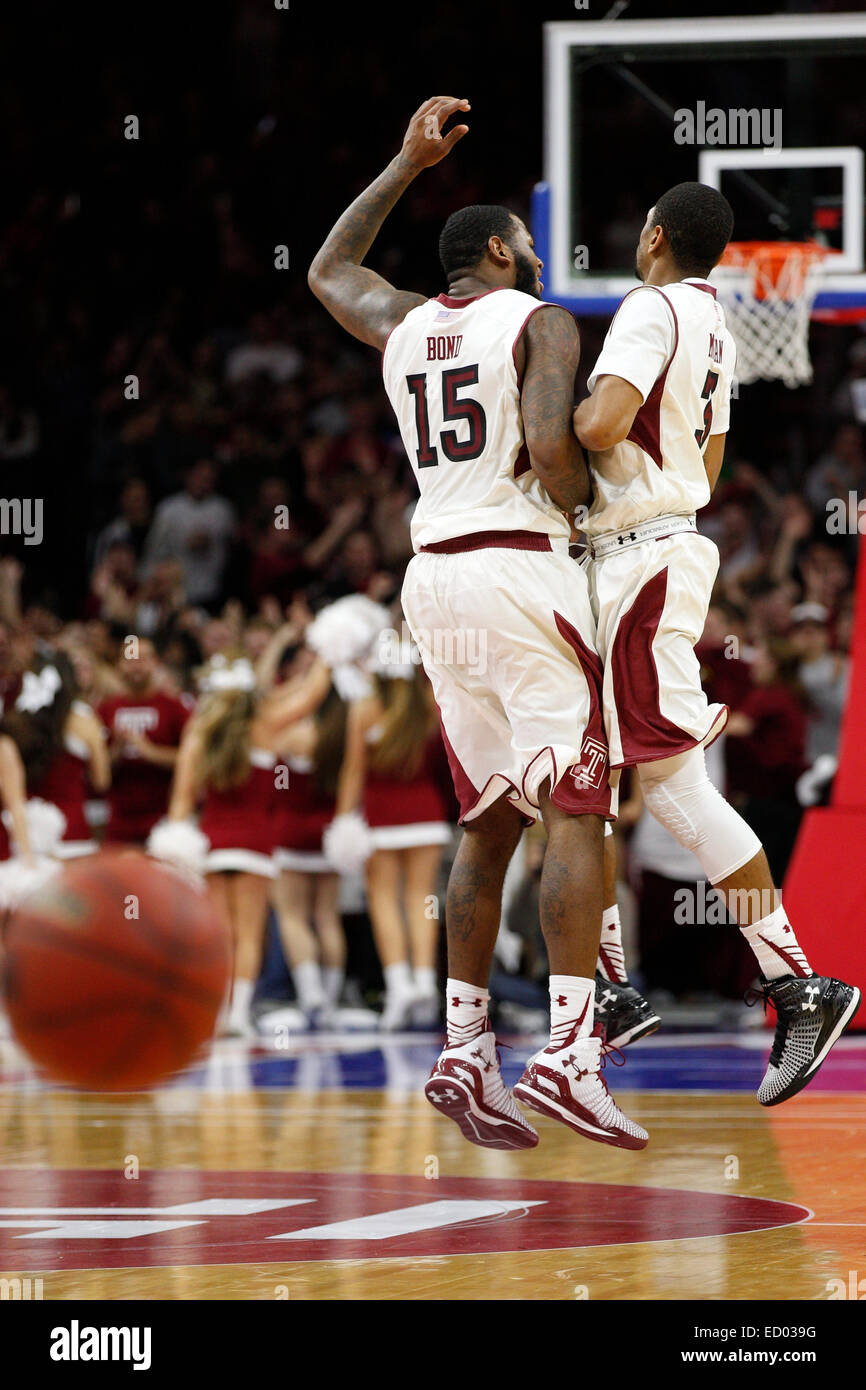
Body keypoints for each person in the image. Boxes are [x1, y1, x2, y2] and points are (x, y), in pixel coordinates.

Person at [309, 95, 645, 1150]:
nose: (540, 259)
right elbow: (552, 449)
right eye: (529, 246)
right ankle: (569, 1053)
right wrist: (595, 509)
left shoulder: (404, 324)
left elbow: (327, 270)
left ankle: (462, 1048)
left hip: (430, 579)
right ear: (500, 250)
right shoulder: (540, 320)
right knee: (578, 807)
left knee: (491, 816)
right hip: (515, 566)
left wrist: (403, 164)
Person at [572, 181, 859, 1105]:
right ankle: (618, 987)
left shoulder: (647, 307)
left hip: (642, 556)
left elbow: (603, 424)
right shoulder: (718, 323)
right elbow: (712, 463)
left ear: (652, 236)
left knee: (667, 785)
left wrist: (559, 435)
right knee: (600, 774)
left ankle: (793, 984)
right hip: (661, 548)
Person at [166, 651, 331, 1037]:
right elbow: (310, 697)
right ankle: (239, 1013)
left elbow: (180, 802)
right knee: (250, 934)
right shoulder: (265, 727)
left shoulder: (199, 736)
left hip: (212, 845)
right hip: (255, 845)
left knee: (221, 933)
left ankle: (219, 1012)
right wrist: (326, 650)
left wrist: (175, 847)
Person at [333, 652, 452, 1030]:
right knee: (422, 900)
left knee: (384, 899)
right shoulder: (429, 704)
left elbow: (352, 771)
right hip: (426, 816)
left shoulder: (366, 709)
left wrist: (342, 821)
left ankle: (399, 986)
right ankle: (423, 983)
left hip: (383, 819)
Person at [2, 653, 110, 858]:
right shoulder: (86, 721)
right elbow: (101, 781)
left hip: (25, 833)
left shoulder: (17, 722)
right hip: (72, 833)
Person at [99, 638, 191, 845]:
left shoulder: (174, 708)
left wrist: (151, 752)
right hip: (118, 824)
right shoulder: (105, 709)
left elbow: (195, 759)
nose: (136, 666)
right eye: (130, 659)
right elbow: (93, 771)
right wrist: (116, 750)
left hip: (164, 820)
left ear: (156, 662)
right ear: (119, 665)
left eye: (142, 659)